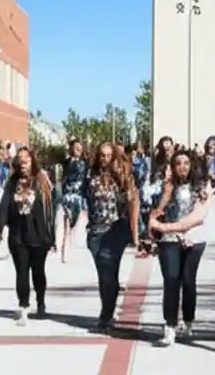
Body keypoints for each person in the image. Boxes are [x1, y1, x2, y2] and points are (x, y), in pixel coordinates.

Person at [150, 150, 213, 346]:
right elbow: (157, 212)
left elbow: (199, 216)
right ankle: (169, 326)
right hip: (170, 238)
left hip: (194, 238)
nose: (182, 167)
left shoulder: (202, 186)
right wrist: (166, 194)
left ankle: (187, 321)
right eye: (178, 163)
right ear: (173, 167)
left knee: (188, 280)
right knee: (171, 280)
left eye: (186, 162)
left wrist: (175, 229)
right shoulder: (167, 186)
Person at [83, 142, 140, 333]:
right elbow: (86, 200)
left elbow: (133, 202)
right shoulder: (90, 176)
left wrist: (135, 234)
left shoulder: (121, 177)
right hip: (95, 232)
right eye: (102, 155)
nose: (105, 159)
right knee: (105, 275)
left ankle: (105, 316)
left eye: (108, 155)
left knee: (108, 273)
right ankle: (108, 309)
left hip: (115, 231)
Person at [0, 147, 57, 324]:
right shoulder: (12, 182)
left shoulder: (41, 180)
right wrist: (0, 226)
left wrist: (52, 235)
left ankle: (40, 302)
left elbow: (51, 208)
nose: (23, 163)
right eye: (20, 159)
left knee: (38, 272)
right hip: (18, 236)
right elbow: (5, 204)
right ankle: (23, 304)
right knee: (21, 271)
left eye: (27, 159)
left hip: (39, 236)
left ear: (32, 161)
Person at [59, 140, 89, 263]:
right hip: (67, 196)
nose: (78, 150)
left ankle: (69, 242)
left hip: (78, 196)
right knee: (67, 222)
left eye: (79, 148)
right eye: (76, 148)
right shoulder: (66, 163)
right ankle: (65, 246)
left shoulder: (84, 163)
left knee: (74, 223)